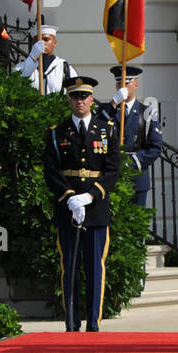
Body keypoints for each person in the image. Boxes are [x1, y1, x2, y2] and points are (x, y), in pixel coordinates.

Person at [45, 76, 119, 332]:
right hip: (68, 209)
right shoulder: (57, 132)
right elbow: (51, 171)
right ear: (69, 100)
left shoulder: (107, 129)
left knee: (95, 268)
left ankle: (94, 324)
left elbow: (112, 171)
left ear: (91, 100)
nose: (80, 101)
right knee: (70, 267)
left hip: (96, 209)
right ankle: (71, 323)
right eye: (75, 96)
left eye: (84, 97)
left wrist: (90, 196)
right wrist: (69, 197)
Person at [99, 65, 164, 208]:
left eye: (127, 83)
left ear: (136, 84)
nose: (123, 87)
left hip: (137, 177)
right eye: (119, 84)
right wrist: (113, 103)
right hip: (111, 175)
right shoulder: (107, 110)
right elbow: (96, 129)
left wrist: (130, 163)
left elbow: (155, 147)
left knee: (135, 223)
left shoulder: (146, 112)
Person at [15, 24, 78, 94]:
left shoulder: (65, 68)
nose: (42, 43)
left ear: (55, 42)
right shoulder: (21, 67)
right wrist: (32, 58)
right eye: (38, 41)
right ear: (33, 44)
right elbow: (16, 86)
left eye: (46, 39)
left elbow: (75, 95)